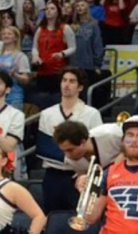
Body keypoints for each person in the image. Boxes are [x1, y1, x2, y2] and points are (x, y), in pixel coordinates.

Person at [36, 68, 103, 212]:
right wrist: (74, 157)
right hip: (53, 175)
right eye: (64, 80)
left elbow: (97, 147)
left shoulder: (92, 114)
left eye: (72, 81)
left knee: (78, 216)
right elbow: (43, 148)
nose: (67, 85)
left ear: (80, 87)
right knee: (51, 217)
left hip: (81, 176)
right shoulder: (47, 114)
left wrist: (81, 167)